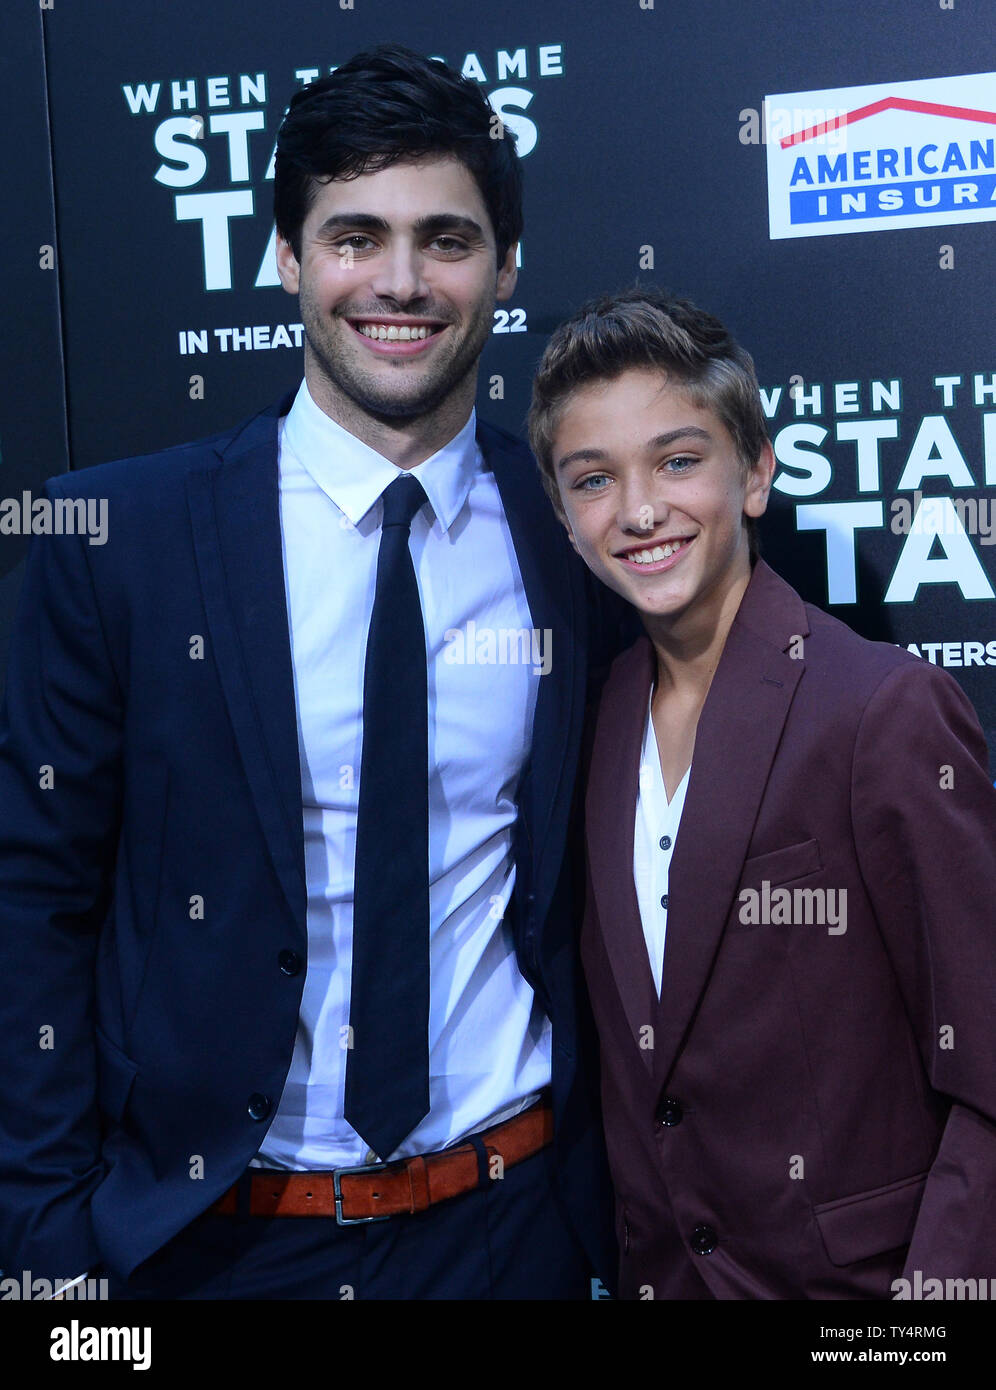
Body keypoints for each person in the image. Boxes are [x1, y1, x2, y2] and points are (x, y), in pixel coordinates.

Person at [0, 45, 631, 1301]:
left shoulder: (583, 536)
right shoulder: (117, 542)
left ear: (506, 270)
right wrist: (49, 1245)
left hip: (514, 1233)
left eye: (446, 239)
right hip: (204, 1245)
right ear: (288, 258)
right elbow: (31, 901)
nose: (400, 282)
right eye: (355, 236)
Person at [526, 286, 996, 1300]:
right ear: (565, 521)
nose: (641, 508)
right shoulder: (587, 720)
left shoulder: (884, 709)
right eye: (594, 479)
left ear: (757, 472)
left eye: (678, 460)